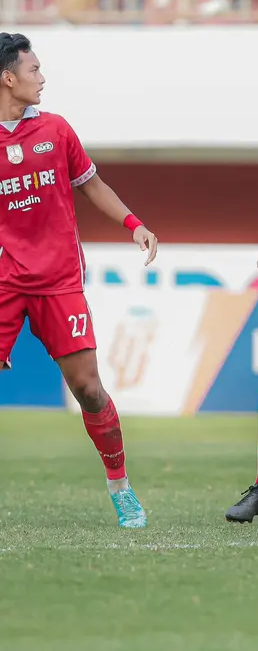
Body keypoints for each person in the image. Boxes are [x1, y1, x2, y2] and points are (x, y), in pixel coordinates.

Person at [0, 33, 158, 528]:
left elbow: (90, 183)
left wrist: (135, 224)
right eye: (34, 70)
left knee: (89, 388)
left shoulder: (56, 129)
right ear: (8, 78)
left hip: (58, 279)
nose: (42, 78)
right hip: (4, 280)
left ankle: (121, 488)